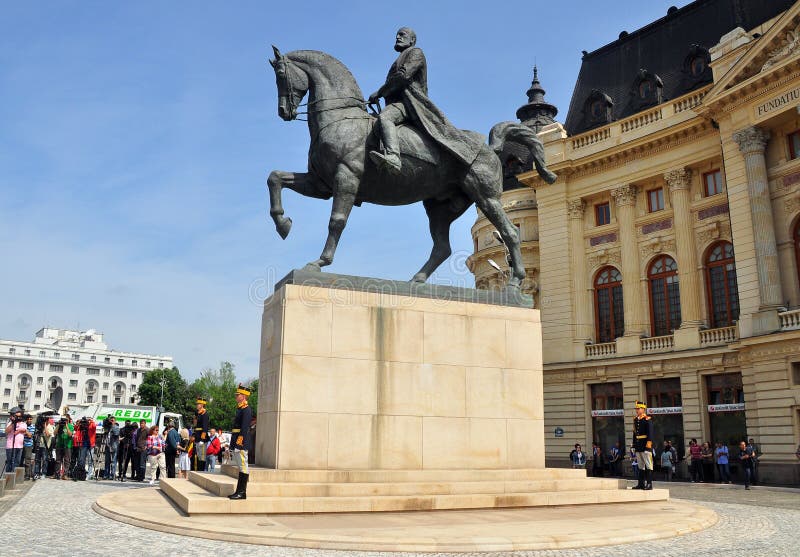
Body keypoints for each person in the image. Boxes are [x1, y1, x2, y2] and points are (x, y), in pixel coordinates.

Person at [367, 27, 482, 174]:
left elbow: (403, 77)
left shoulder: (416, 52)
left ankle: (393, 157)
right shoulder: (398, 59)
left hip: (409, 104)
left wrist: (380, 92)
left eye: (402, 35)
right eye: (397, 35)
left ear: (412, 40)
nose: (398, 37)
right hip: (398, 103)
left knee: (385, 118)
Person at [228, 384, 253, 500]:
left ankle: (242, 492)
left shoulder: (246, 409)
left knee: (243, 467)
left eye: (238, 395)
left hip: (241, 442)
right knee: (241, 467)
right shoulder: (240, 408)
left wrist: (239, 443)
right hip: (237, 440)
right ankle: (239, 491)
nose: (236, 397)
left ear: (243, 396)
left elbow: (244, 428)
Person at [632, 401, 654, 490]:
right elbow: (635, 433)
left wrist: (648, 446)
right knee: (640, 465)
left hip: (645, 445)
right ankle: (641, 483)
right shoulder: (636, 420)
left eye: (638, 409)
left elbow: (650, 434)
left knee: (648, 465)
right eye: (636, 409)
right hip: (638, 445)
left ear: (643, 409)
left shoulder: (647, 419)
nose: (637, 410)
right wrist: (634, 445)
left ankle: (649, 484)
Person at [5, 407, 26, 473]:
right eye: (15, 416)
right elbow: (7, 431)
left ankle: (14, 477)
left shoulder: (23, 424)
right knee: (9, 462)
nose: (16, 417)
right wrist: (13, 423)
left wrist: (19, 430)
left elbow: (24, 430)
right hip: (10, 446)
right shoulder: (10, 423)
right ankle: (8, 477)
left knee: (17, 462)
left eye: (18, 416)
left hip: (19, 446)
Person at [193, 397, 210, 472]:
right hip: (197, 437)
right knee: (199, 457)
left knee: (202, 457)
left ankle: (202, 472)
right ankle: (199, 471)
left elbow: (205, 428)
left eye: (198, 404)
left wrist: (202, 439)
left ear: (202, 405)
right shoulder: (198, 414)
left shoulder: (204, 414)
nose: (197, 405)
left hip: (201, 439)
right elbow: (196, 427)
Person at [23, 414, 35, 480]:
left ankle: (27, 475)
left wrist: (24, 430)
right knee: (20, 460)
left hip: (28, 445)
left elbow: (30, 435)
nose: (29, 420)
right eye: (28, 419)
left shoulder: (33, 426)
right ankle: (20, 474)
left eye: (30, 419)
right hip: (21, 445)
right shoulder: (23, 425)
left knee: (27, 460)